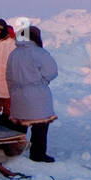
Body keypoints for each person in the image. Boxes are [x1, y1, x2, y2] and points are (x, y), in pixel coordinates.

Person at [6, 25, 58, 162]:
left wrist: (13, 91)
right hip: (37, 95)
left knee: (19, 127)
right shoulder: (39, 53)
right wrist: (43, 80)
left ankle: (13, 153)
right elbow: (52, 71)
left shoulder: (14, 54)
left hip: (18, 94)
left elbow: (9, 76)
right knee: (40, 126)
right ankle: (37, 154)